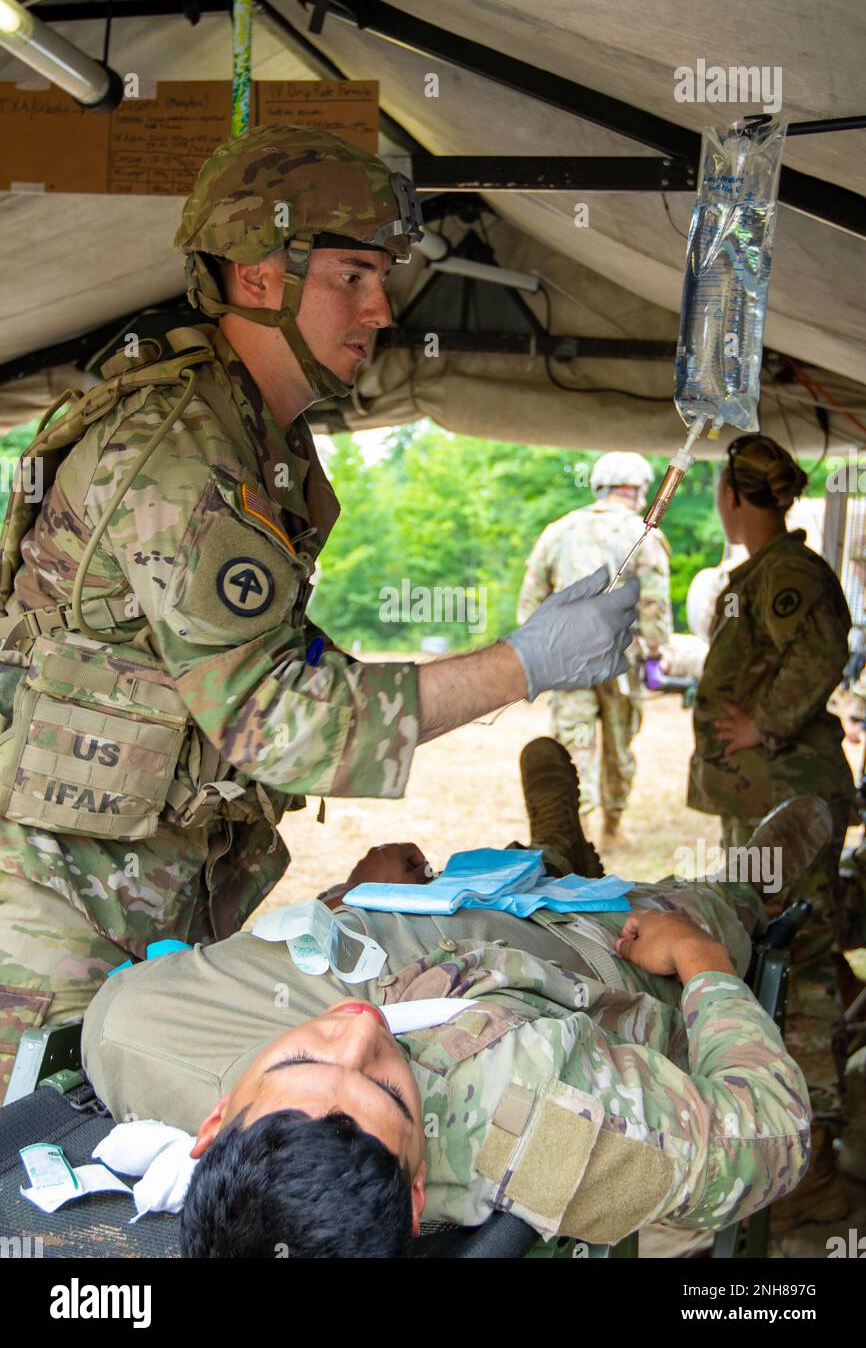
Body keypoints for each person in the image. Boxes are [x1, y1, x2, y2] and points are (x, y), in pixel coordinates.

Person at [0, 125, 638, 1099]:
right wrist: (523, 662)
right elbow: (275, 721)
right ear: (259, 275)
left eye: (381, 277)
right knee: (54, 1172)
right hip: (58, 918)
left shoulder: (255, 441)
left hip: (142, 886)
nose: (382, 307)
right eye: (351, 275)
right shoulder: (184, 452)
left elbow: (279, 663)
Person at [80, 738, 813, 1258]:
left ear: (211, 1128)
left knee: (535, 861)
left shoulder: (133, 1027)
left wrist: (345, 899)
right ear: (419, 1189)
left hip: (449, 904)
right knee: (770, 859)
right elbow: (774, 1135)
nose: (358, 1030)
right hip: (605, 945)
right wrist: (699, 958)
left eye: (298, 1059)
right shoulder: (538, 1125)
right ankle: (742, 889)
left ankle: (559, 852)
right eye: (389, 1092)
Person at [687, 433, 855, 1226]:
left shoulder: (788, 573)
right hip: (765, 806)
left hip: (792, 803)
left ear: (734, 495)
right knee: (776, 952)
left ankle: (816, 1158)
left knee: (806, 965)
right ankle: (797, 1147)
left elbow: (823, 648)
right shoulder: (759, 574)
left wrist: (765, 721)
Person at [517, 452, 672, 846]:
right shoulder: (645, 534)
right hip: (622, 660)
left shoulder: (558, 530)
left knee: (574, 743)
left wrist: (536, 655)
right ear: (637, 490)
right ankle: (613, 827)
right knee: (620, 746)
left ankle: (577, 829)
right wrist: (656, 652)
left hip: (567, 661)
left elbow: (532, 598)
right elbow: (654, 601)